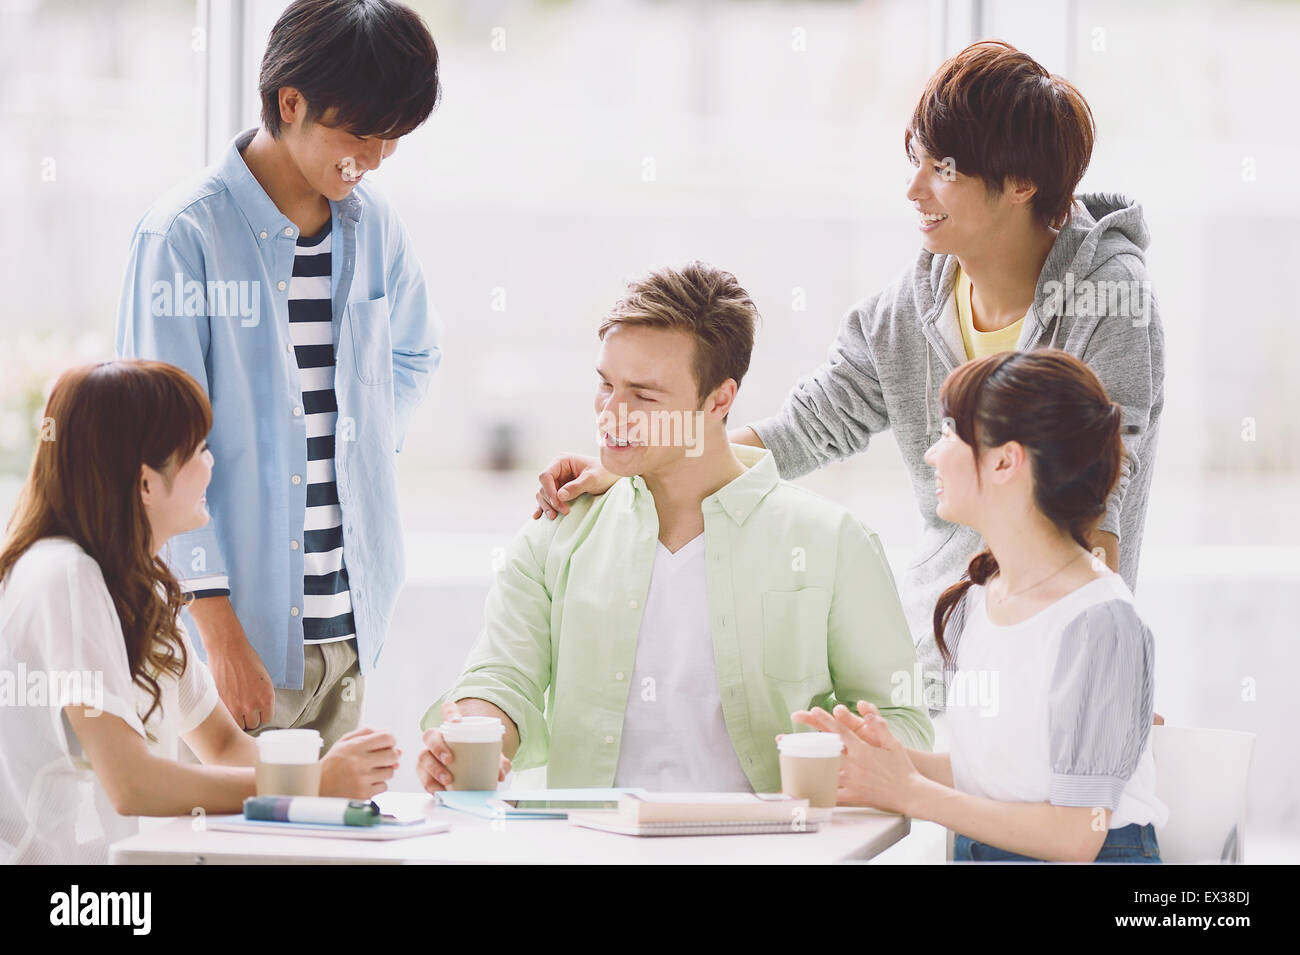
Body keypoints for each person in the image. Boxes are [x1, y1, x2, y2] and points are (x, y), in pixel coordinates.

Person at [531, 40, 1165, 713]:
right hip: (942, 651)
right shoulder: (908, 308)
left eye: (942, 170)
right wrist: (643, 463)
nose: (915, 189)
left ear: (1020, 184)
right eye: (914, 162)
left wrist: (1089, 673)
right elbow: (805, 428)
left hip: (1051, 663)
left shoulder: (1108, 300)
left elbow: (1100, 498)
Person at [417, 263, 933, 795]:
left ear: (719, 400)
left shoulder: (834, 543)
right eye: (605, 384)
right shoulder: (557, 531)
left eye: (644, 395)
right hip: (594, 845)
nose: (611, 414)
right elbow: (502, 679)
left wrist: (840, 751)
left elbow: (902, 718)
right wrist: (466, 738)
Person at [115, 0, 442, 749]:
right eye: (362, 132)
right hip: (227, 640)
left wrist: (353, 444)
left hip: (347, 628)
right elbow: (150, 447)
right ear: (290, 103)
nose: (378, 156)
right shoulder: (183, 237)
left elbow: (416, 353)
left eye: (392, 136)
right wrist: (219, 631)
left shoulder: (375, 226)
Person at [0, 361, 400, 865]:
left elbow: (225, 746)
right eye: (197, 451)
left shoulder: (139, 585)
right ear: (146, 483)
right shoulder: (66, 576)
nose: (212, 465)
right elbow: (130, 783)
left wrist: (328, 783)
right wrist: (313, 787)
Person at [793, 350, 1167, 863]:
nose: (932, 455)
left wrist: (908, 791)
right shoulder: (976, 598)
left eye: (949, 434)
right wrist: (892, 762)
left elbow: (1075, 837)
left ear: (1005, 460)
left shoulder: (1101, 621)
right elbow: (997, 776)